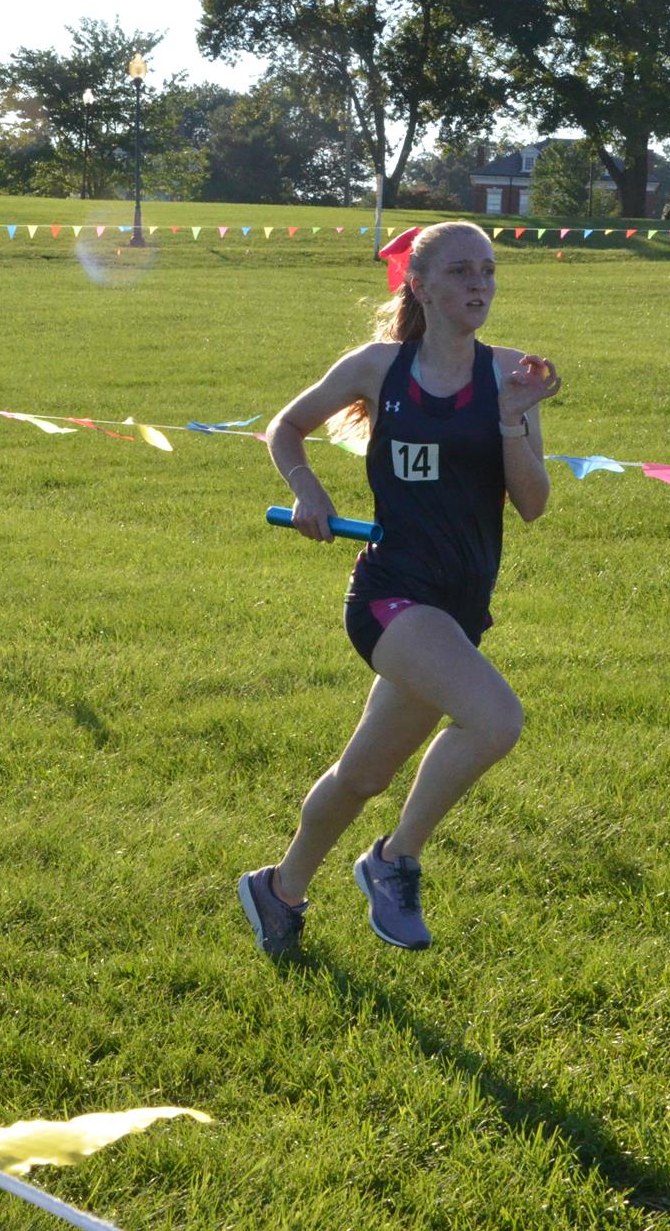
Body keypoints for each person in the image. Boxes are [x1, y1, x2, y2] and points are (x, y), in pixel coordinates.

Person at [238, 220, 561, 954]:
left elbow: (534, 504)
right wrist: (307, 491)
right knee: (495, 720)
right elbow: (285, 427)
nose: (478, 283)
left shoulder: (513, 375)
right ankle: (394, 861)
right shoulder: (377, 367)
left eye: (487, 269)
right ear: (418, 283)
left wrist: (513, 421)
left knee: (362, 775)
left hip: (459, 608)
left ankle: (279, 890)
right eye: (458, 272)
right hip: (389, 595)